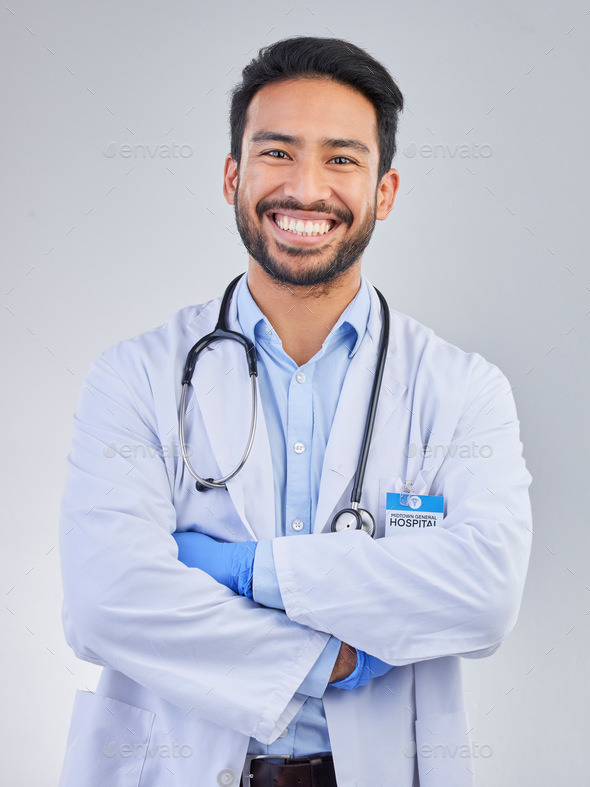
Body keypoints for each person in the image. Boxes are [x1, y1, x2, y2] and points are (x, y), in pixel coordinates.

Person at [58, 36, 532, 787]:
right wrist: (329, 656)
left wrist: (250, 569)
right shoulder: (136, 376)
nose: (306, 190)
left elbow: (484, 594)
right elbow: (107, 601)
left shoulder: (461, 390)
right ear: (231, 177)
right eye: (276, 153)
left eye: (342, 158)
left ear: (385, 191)